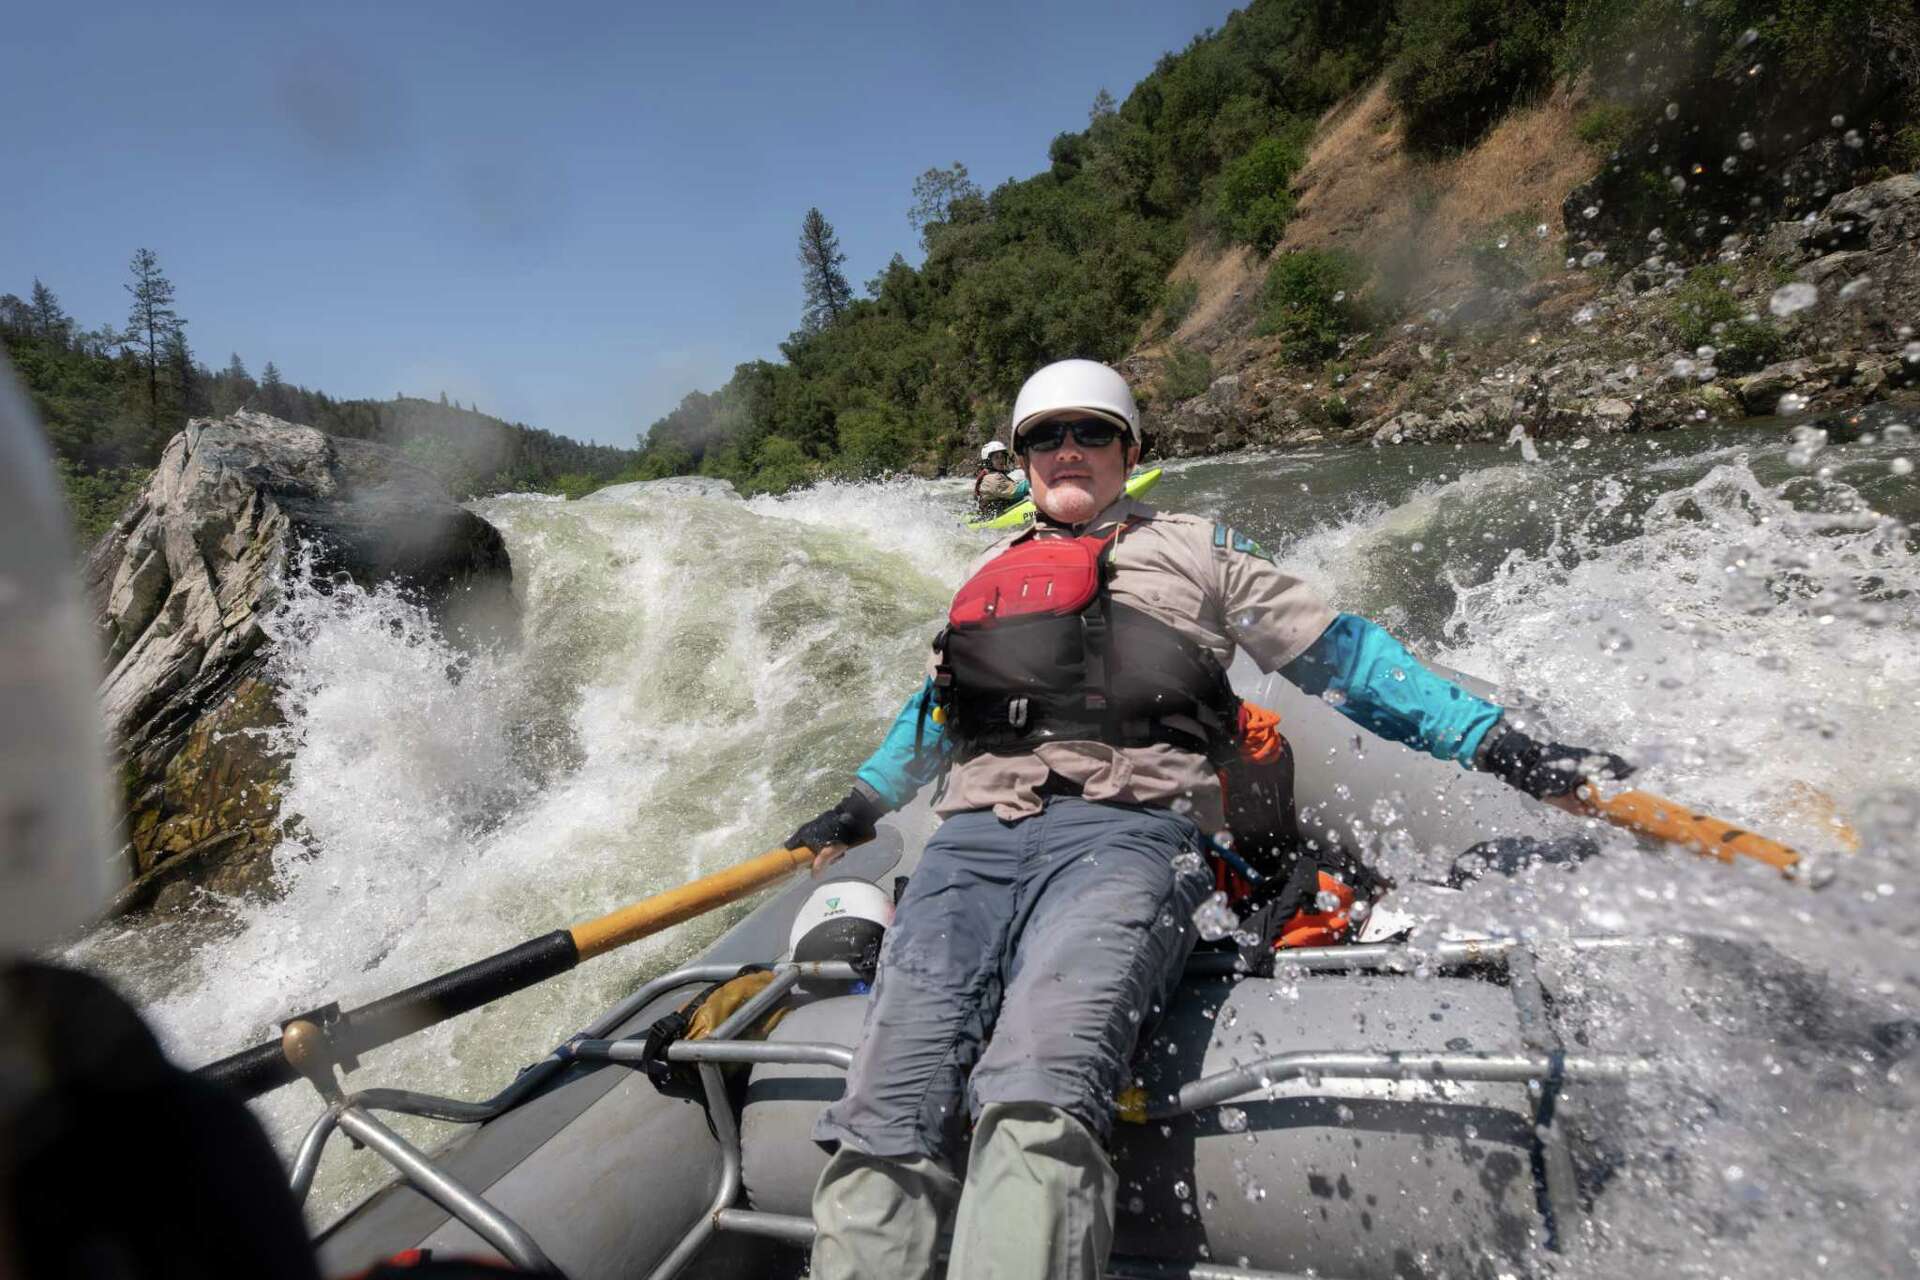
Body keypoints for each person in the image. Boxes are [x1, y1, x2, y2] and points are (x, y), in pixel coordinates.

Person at [788, 358, 1631, 1279]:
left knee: (1041, 1080)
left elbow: (1343, 657)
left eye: (1092, 433)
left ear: (1130, 451)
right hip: (972, 845)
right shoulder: (990, 576)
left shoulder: (1200, 549)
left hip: (1124, 837)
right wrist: (864, 802)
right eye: (1046, 437)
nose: (1069, 450)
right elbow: (940, 711)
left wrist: (1493, 742)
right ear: (1022, 460)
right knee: (886, 1098)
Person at [971, 439, 1028, 516]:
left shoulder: (995, 474)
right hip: (994, 516)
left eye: (1002, 456)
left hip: (1000, 510)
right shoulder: (992, 479)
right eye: (996, 457)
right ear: (988, 461)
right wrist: (1032, 482)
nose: (1001, 460)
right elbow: (1015, 491)